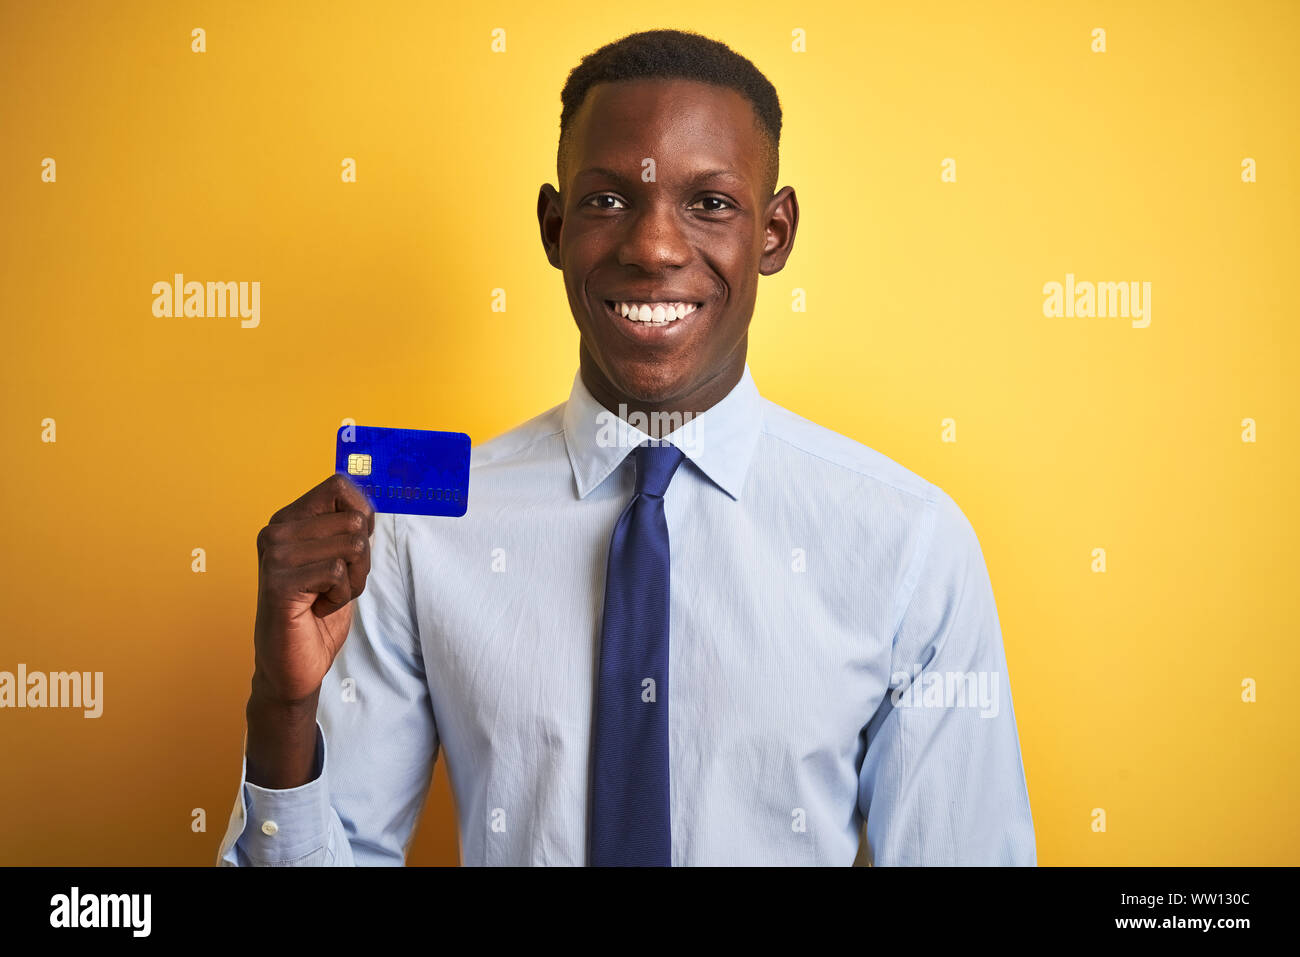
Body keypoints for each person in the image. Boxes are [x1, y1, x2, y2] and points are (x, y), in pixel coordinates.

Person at [217, 28, 1035, 867]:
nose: (652, 247)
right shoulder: (424, 528)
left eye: (710, 202)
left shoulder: (908, 545)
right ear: (553, 225)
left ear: (776, 232)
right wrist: (281, 709)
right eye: (608, 200)